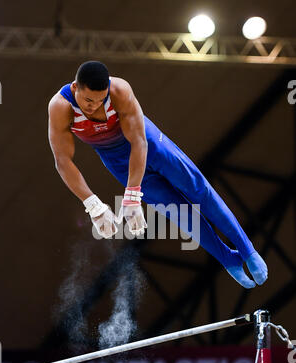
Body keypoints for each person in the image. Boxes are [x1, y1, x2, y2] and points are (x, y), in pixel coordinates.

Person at [48, 61, 268, 289]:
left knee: (199, 191)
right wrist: (93, 205)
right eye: (88, 101)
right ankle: (227, 258)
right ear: (75, 88)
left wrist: (132, 194)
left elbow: (139, 142)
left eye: (99, 100)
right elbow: (62, 161)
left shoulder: (119, 91)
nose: (94, 106)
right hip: (118, 163)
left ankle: (246, 249)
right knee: (179, 212)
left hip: (150, 145)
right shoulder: (60, 107)